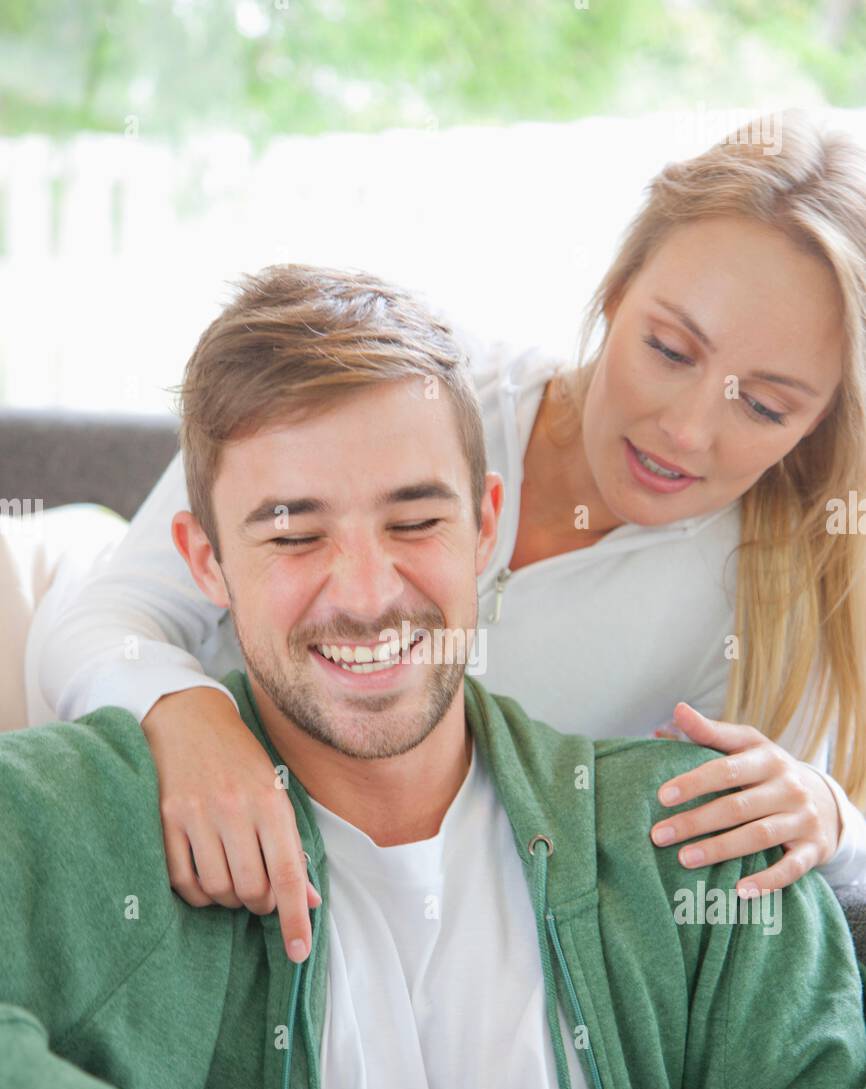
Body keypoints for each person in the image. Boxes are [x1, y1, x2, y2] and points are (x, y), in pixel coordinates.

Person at [3, 264, 866, 1089]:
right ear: (206, 562)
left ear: (484, 520)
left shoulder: (705, 848)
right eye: (293, 532)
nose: (367, 594)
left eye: (414, 522)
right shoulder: (62, 811)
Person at [27, 108, 866, 965]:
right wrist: (189, 718)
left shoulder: (765, 599)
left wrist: (834, 823)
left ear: (823, 420)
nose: (687, 430)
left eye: (765, 405)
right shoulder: (414, 385)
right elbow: (98, 621)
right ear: (615, 292)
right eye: (669, 348)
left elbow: (785, 896)